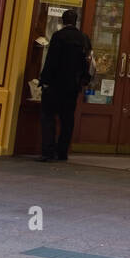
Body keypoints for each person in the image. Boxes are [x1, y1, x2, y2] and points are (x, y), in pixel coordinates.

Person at [37, 8, 91, 162]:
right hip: (72, 87)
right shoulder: (83, 39)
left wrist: (45, 80)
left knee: (48, 117)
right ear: (76, 21)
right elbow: (87, 62)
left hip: (55, 84)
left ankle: (48, 151)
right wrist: (83, 80)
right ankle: (62, 152)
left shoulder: (58, 36)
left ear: (62, 20)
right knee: (67, 119)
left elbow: (51, 60)